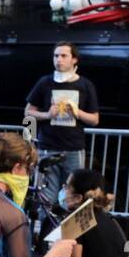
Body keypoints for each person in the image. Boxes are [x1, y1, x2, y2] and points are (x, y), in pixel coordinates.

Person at [23, 42, 99, 206]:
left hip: (74, 148)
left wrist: (78, 112)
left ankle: (68, 231)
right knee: (47, 198)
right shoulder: (45, 82)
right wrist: (47, 114)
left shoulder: (85, 85)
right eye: (56, 56)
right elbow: (28, 112)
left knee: (72, 196)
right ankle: (47, 229)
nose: (59, 60)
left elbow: (95, 119)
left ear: (74, 60)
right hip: (47, 147)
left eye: (64, 56)